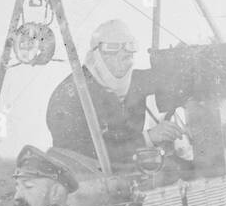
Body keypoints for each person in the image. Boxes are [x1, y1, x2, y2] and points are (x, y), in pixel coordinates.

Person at [46, 19, 184, 169]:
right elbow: (84, 154)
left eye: (129, 48)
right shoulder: (69, 96)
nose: (125, 55)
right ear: (97, 55)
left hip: (129, 170)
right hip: (89, 177)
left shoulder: (132, 79)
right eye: (114, 48)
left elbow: (173, 79)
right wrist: (148, 138)